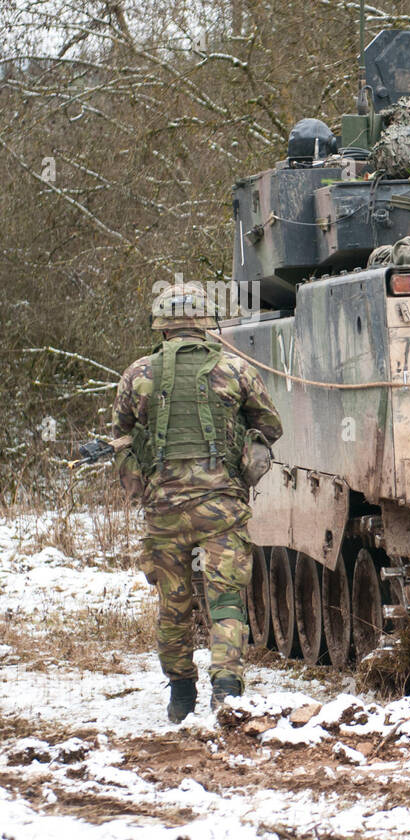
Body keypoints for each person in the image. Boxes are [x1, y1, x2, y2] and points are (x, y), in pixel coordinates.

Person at [112, 283, 283, 723]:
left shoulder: (137, 374)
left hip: (164, 511)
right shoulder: (236, 369)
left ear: (162, 326)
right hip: (221, 508)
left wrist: (143, 482)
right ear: (207, 323)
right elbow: (270, 426)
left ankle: (181, 695)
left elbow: (121, 436)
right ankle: (226, 691)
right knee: (226, 600)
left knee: (174, 604)